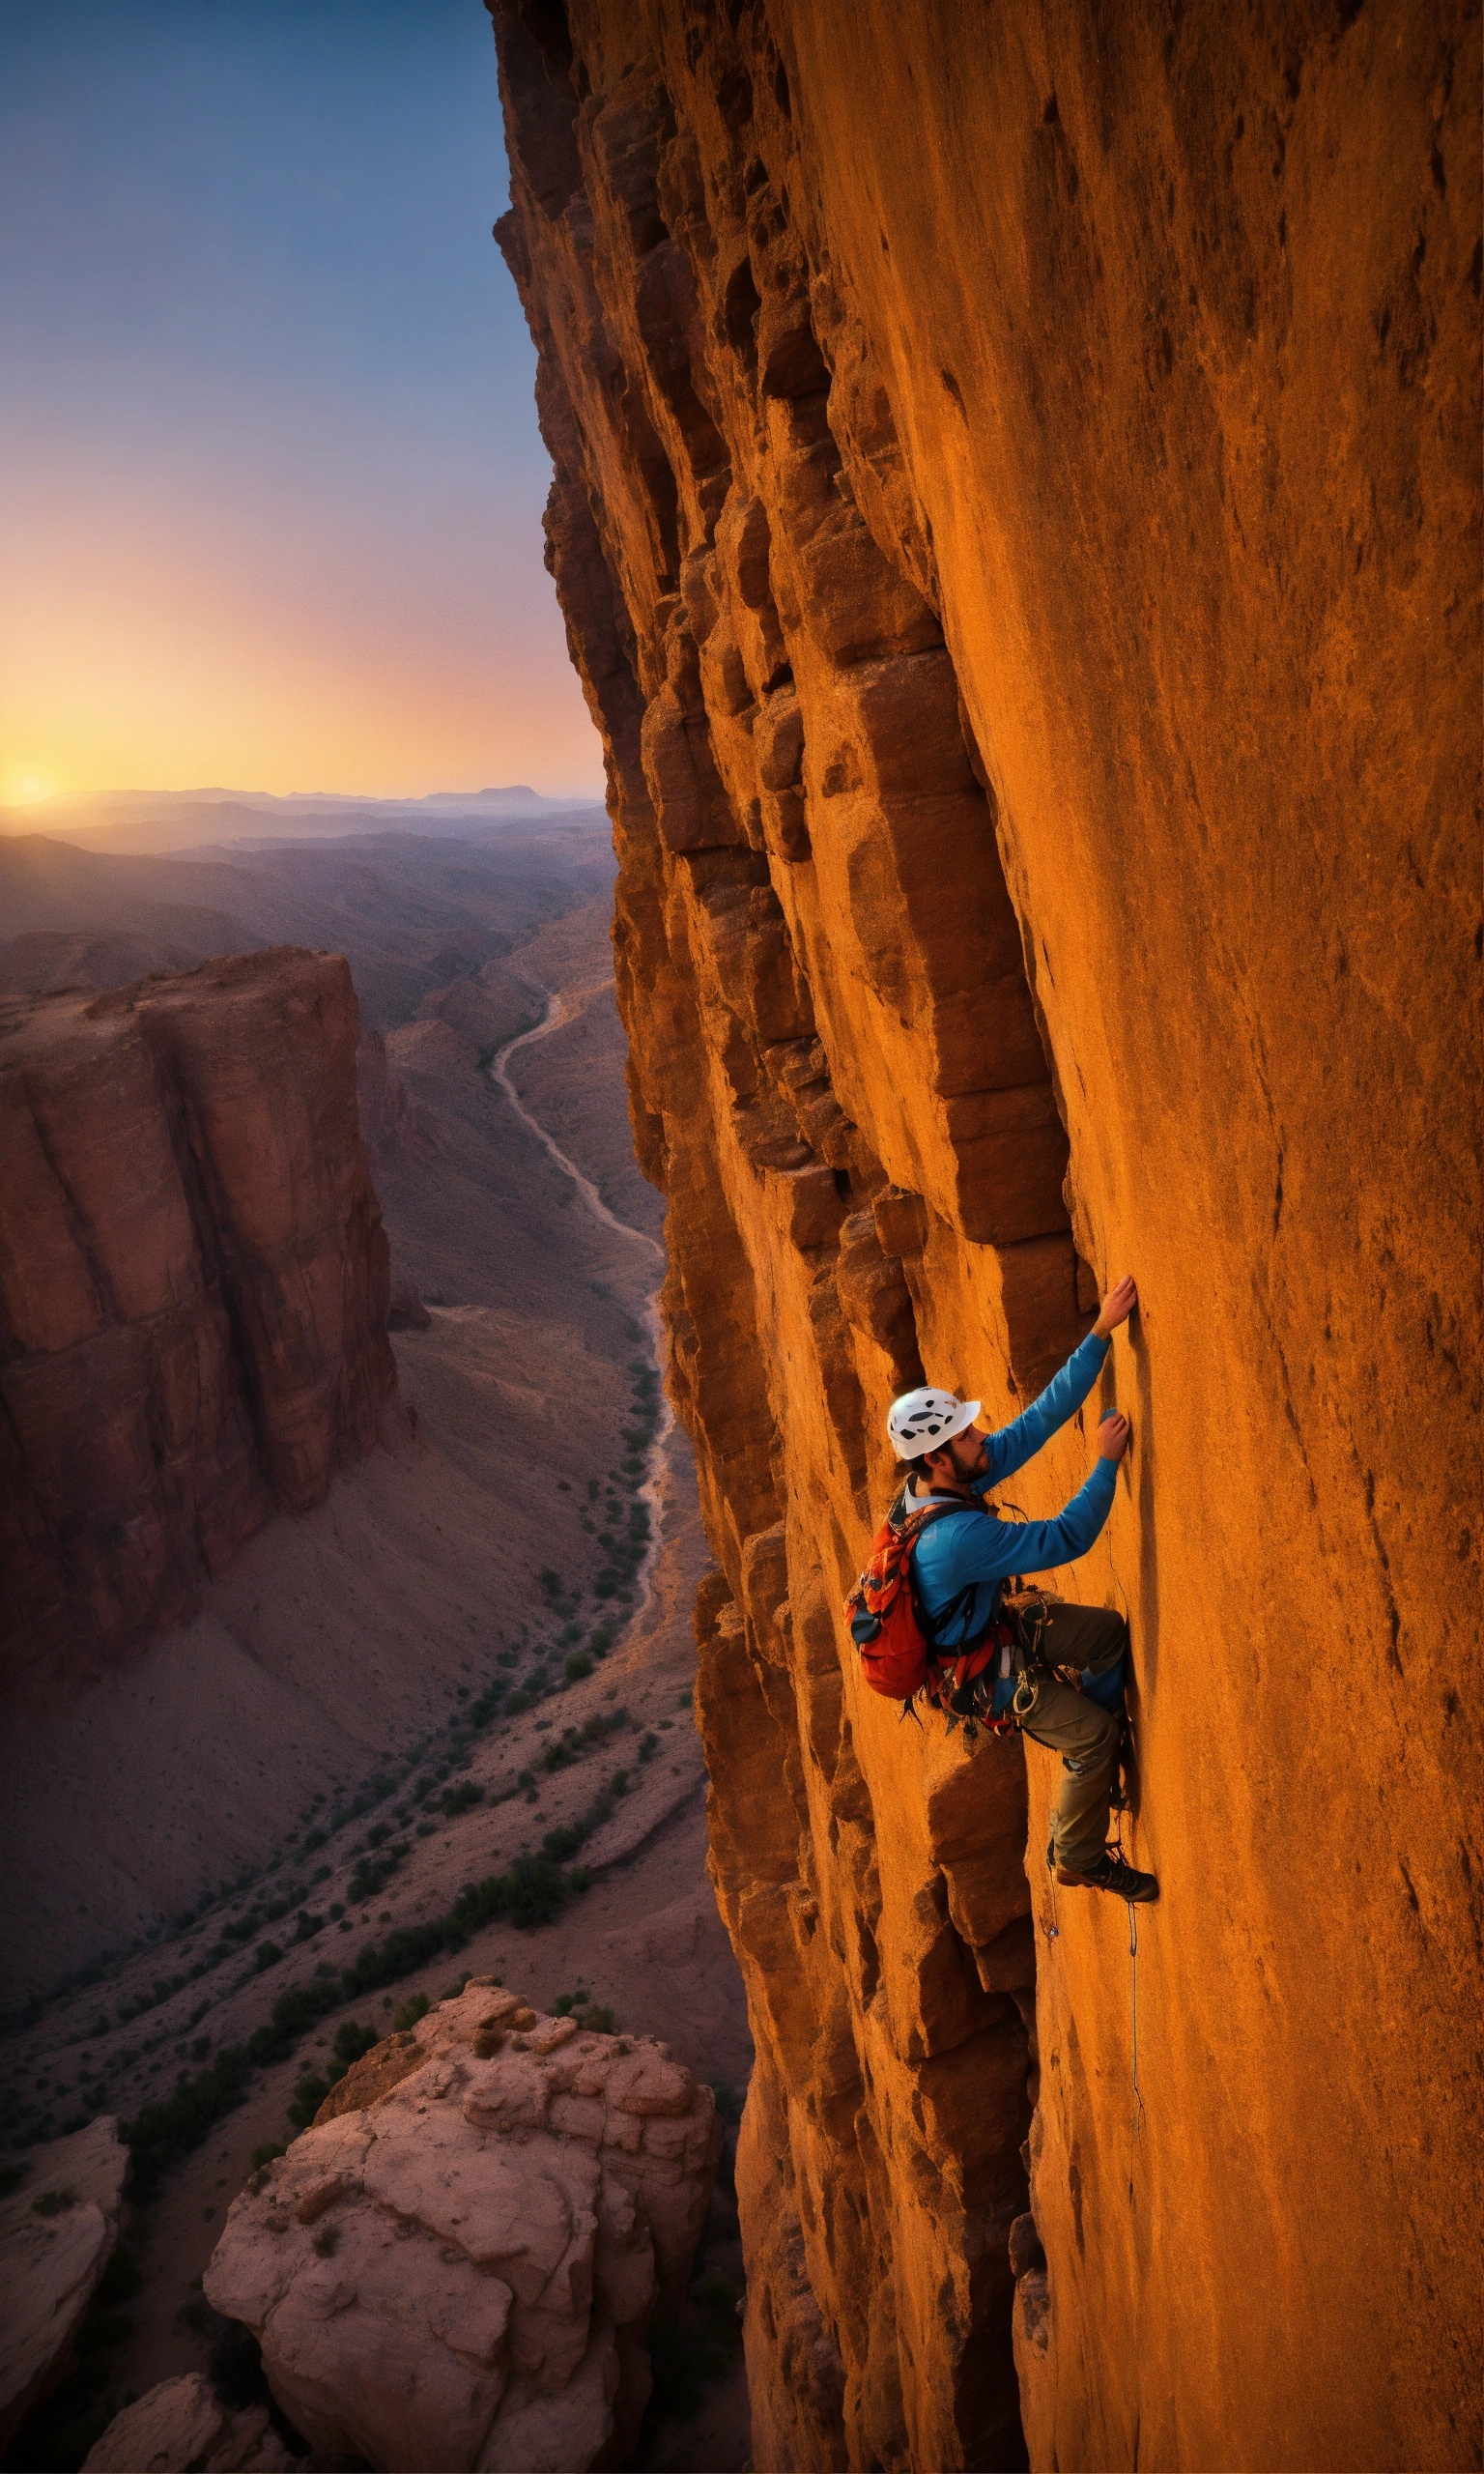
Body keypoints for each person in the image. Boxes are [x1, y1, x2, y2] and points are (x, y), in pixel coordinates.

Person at [885, 1275, 1157, 1903]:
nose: (983, 1439)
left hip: (993, 1628)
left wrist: (1098, 1334)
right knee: (1091, 1736)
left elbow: (1034, 1427)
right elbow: (1066, 1539)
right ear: (937, 1457)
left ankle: (1100, 1767)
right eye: (967, 1436)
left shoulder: (936, 1486)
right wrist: (1107, 1462)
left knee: (1107, 1636)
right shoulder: (952, 1538)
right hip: (987, 1674)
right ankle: (1078, 1854)